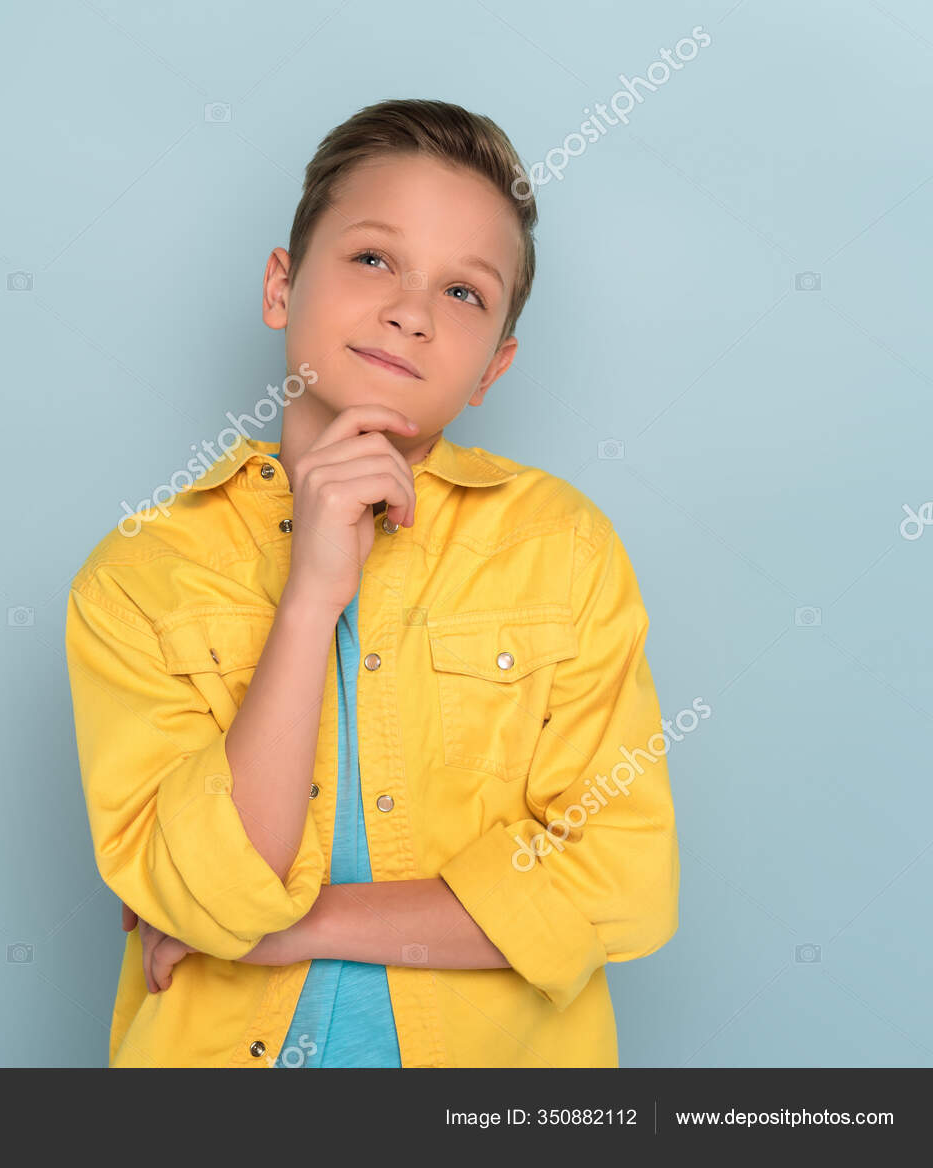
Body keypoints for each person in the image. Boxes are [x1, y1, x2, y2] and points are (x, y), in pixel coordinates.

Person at [64, 98, 679, 1068]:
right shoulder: (142, 578)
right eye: (373, 259)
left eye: (465, 293)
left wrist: (297, 927)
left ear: (492, 368)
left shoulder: (560, 549)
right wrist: (310, 597)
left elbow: (619, 881)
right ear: (280, 284)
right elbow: (207, 896)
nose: (411, 311)